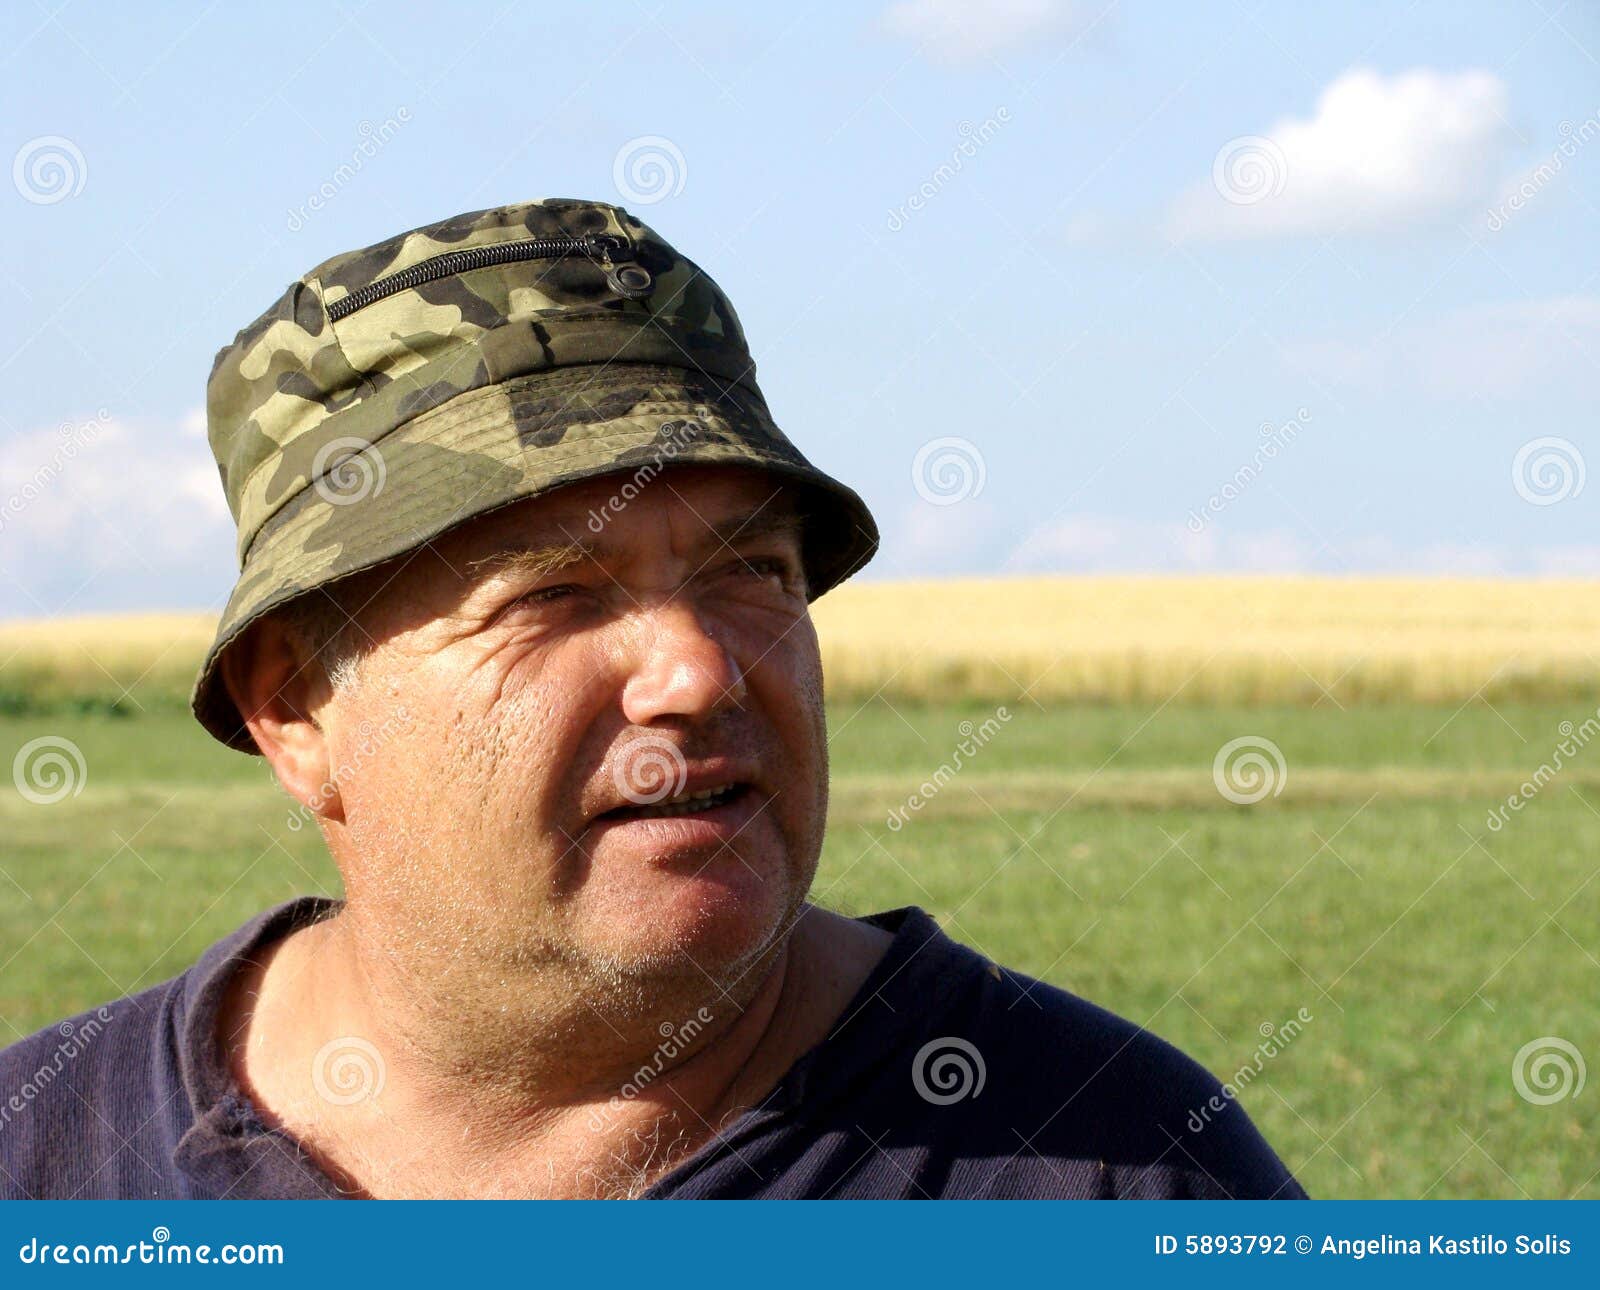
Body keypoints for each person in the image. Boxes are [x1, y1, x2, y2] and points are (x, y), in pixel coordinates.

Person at [0, 199, 1306, 1199]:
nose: (699, 670)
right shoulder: (45, 1157)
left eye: (752, 573)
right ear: (296, 709)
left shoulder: (1107, 1165)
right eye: (557, 593)